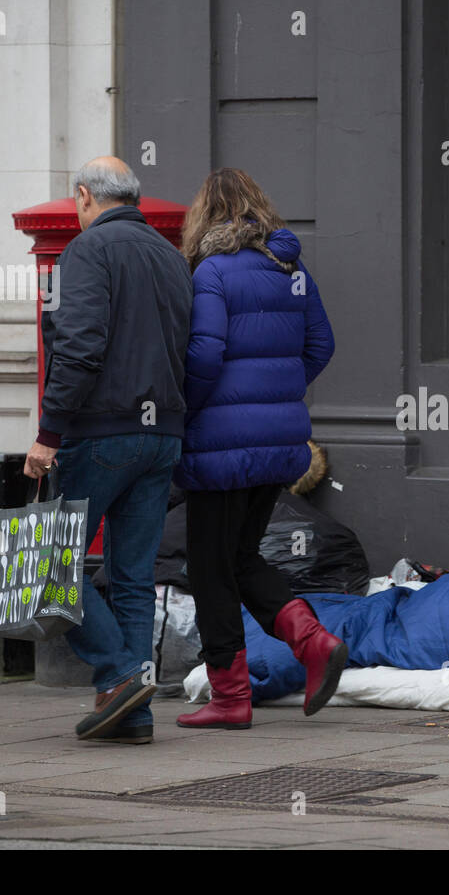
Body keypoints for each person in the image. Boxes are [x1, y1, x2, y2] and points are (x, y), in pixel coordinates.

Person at [24, 157, 193, 744]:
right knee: (132, 578)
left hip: (102, 433)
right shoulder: (172, 257)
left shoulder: (88, 251)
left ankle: (119, 673)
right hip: (162, 434)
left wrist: (48, 434)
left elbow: (79, 348)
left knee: (48, 565)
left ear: (84, 197)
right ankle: (135, 715)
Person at [173, 168, 342, 729]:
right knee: (241, 557)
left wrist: (188, 411)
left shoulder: (212, 271)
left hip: (220, 447)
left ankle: (230, 696)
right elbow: (322, 344)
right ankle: (313, 641)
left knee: (209, 568)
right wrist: (280, 393)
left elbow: (204, 354)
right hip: (279, 443)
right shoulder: (290, 269)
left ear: (206, 214)